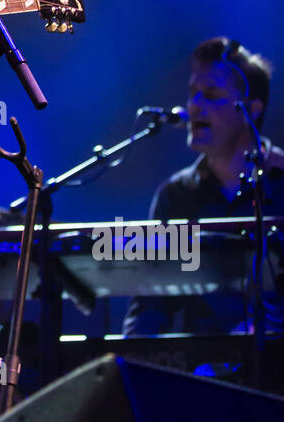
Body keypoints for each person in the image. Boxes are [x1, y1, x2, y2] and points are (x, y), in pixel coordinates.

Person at [121, 37, 284, 338]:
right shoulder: (176, 195)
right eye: (193, 93)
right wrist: (122, 366)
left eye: (211, 94)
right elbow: (152, 304)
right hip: (202, 376)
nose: (195, 105)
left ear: (252, 109)